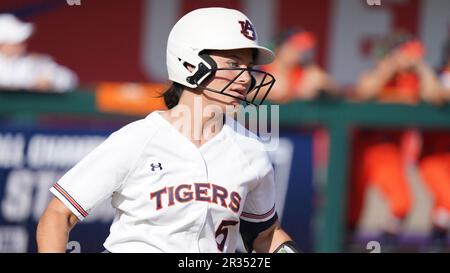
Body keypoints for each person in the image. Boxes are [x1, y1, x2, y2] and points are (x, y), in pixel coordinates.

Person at [36, 7, 301, 253]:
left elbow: (264, 234)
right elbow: (59, 214)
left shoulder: (250, 150)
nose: (245, 78)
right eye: (233, 64)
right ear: (189, 64)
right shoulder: (139, 138)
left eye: (249, 67)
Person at [348, 31, 444, 251]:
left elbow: (435, 96)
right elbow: (365, 91)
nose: (409, 59)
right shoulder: (380, 72)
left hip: (389, 149)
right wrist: (391, 63)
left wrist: (420, 66)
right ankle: (345, 240)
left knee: (401, 202)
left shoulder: (414, 79)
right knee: (350, 205)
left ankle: (387, 244)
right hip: (363, 146)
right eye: (407, 54)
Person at [0, 13, 78, 92]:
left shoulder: (34, 62)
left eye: (23, 41)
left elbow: (68, 79)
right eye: (16, 42)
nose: (22, 44)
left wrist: (51, 81)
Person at [259, 28, 338, 103]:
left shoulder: (306, 70)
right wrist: (264, 90)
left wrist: (319, 90)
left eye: (302, 47)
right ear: (280, 47)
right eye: (294, 46)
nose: (299, 52)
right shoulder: (261, 67)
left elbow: (333, 88)